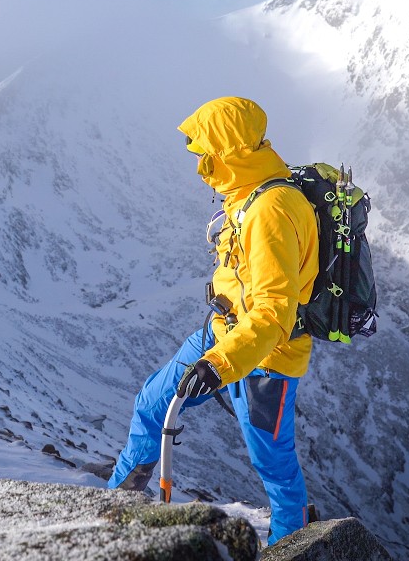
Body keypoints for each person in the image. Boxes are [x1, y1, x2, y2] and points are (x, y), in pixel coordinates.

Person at [106, 96, 319, 546]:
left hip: (267, 358)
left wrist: (220, 364)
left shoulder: (270, 211)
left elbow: (273, 312)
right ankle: (111, 519)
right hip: (223, 334)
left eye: (206, 152)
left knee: (275, 468)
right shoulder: (250, 192)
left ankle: (289, 549)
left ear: (230, 152)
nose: (200, 163)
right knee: (152, 405)